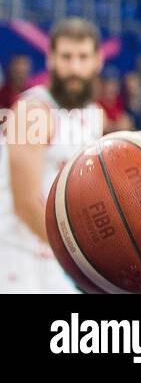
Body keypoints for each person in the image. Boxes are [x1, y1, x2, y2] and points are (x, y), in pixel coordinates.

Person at [0, 17, 106, 292]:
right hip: (12, 251)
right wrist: (85, 253)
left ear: (98, 61)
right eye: (66, 57)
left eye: (83, 57)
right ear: (50, 59)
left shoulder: (94, 115)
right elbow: (25, 204)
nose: (74, 67)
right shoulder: (33, 111)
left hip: (51, 257)